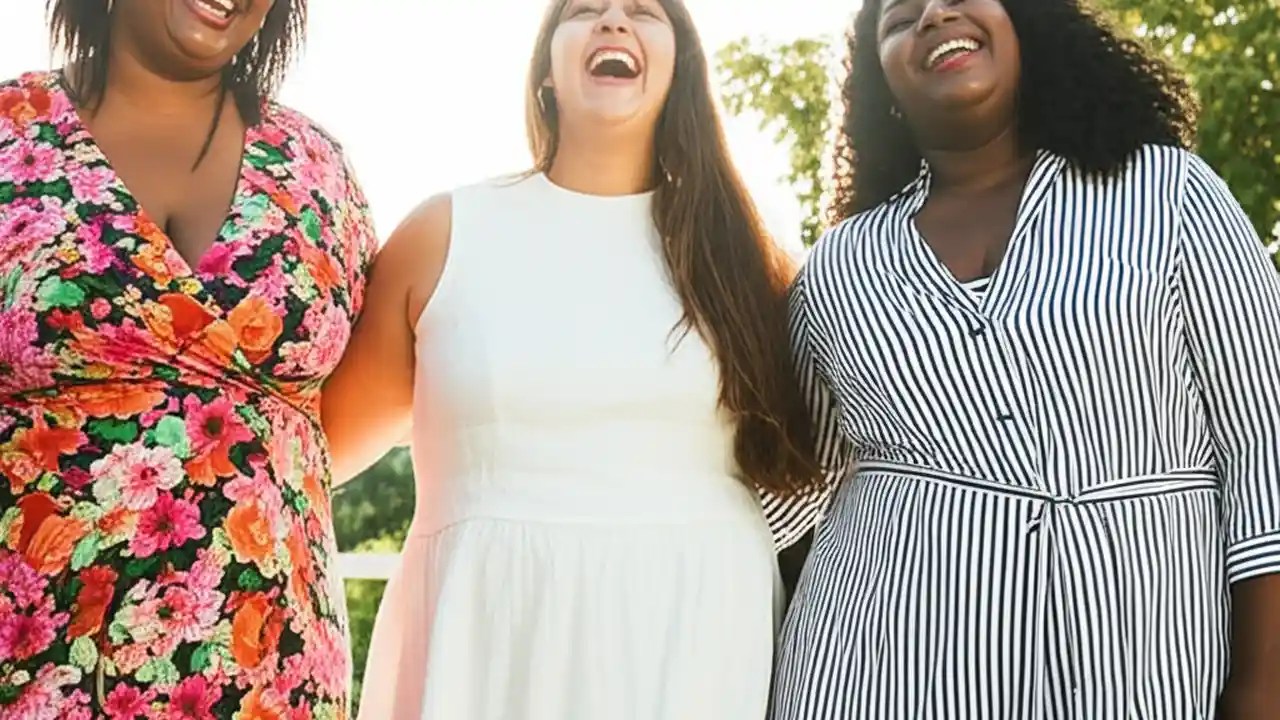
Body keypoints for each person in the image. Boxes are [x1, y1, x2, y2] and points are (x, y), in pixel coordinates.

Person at [771, 0, 1280, 718]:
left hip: (1140, 661)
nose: (933, 14)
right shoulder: (839, 269)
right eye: (898, 16)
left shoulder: (1170, 196)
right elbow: (781, 484)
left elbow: (1265, 447)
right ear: (875, 79)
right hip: (876, 667)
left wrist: (1264, 685)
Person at [320, 0, 823, 717]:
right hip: (488, 633)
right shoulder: (445, 234)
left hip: (695, 637)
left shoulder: (742, 255)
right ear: (546, 70)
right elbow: (314, 453)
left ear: (679, 64)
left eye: (645, 12)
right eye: (585, 9)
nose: (614, 22)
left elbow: (811, 457)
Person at [0, 0, 377, 716]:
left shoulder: (319, 171)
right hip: (34, 674)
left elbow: (345, 421)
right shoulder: (9, 139)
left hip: (275, 681)